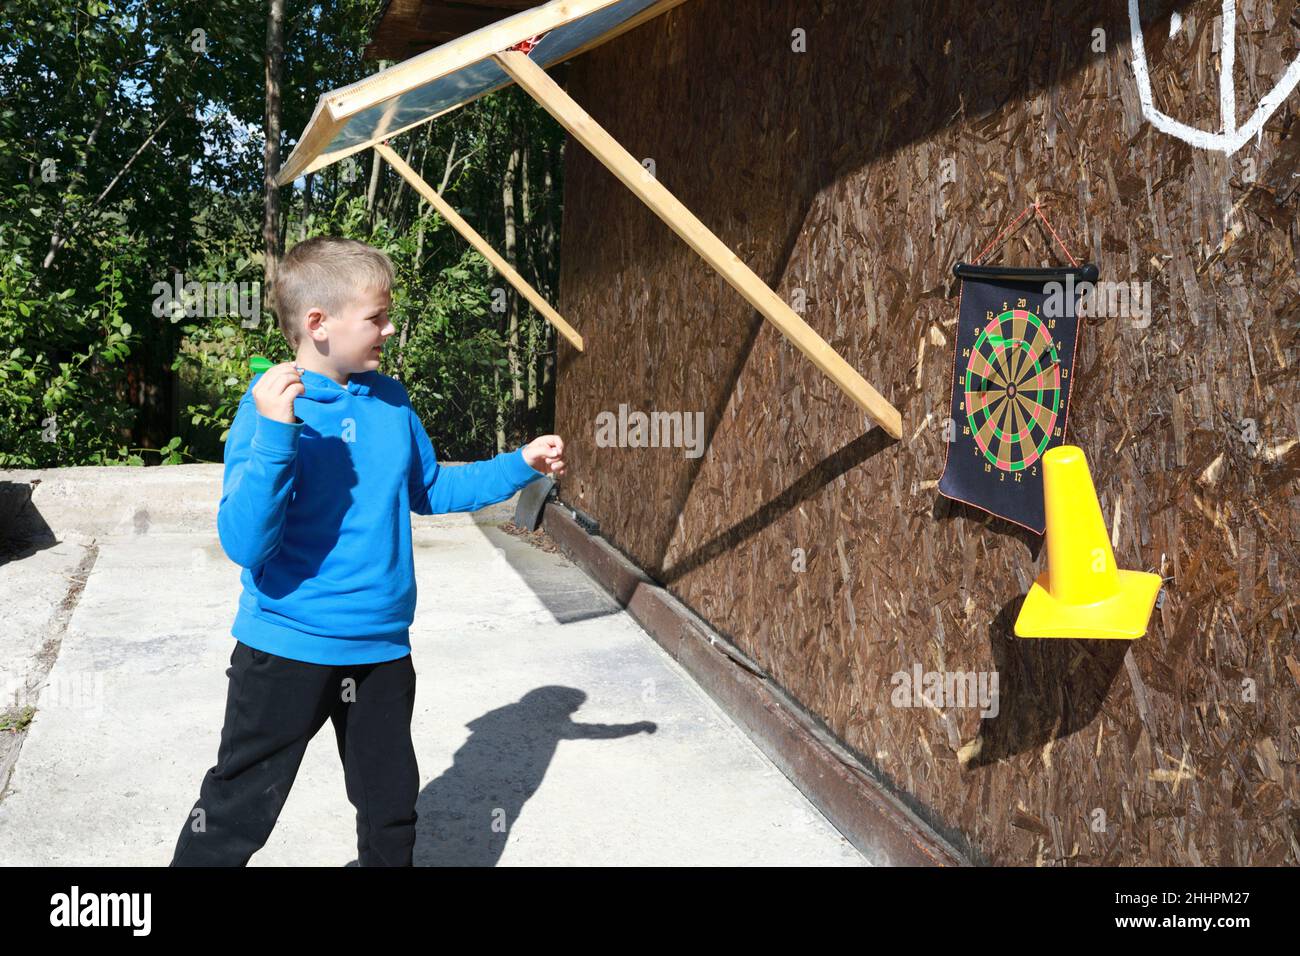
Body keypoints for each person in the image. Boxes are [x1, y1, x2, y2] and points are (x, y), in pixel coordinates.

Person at [170, 236, 565, 866]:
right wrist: (278, 433)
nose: (389, 327)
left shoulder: (391, 401)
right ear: (318, 324)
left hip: (381, 649)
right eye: (376, 317)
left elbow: (430, 489)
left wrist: (518, 465)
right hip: (285, 649)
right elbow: (244, 543)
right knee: (236, 808)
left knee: (390, 808)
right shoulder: (270, 408)